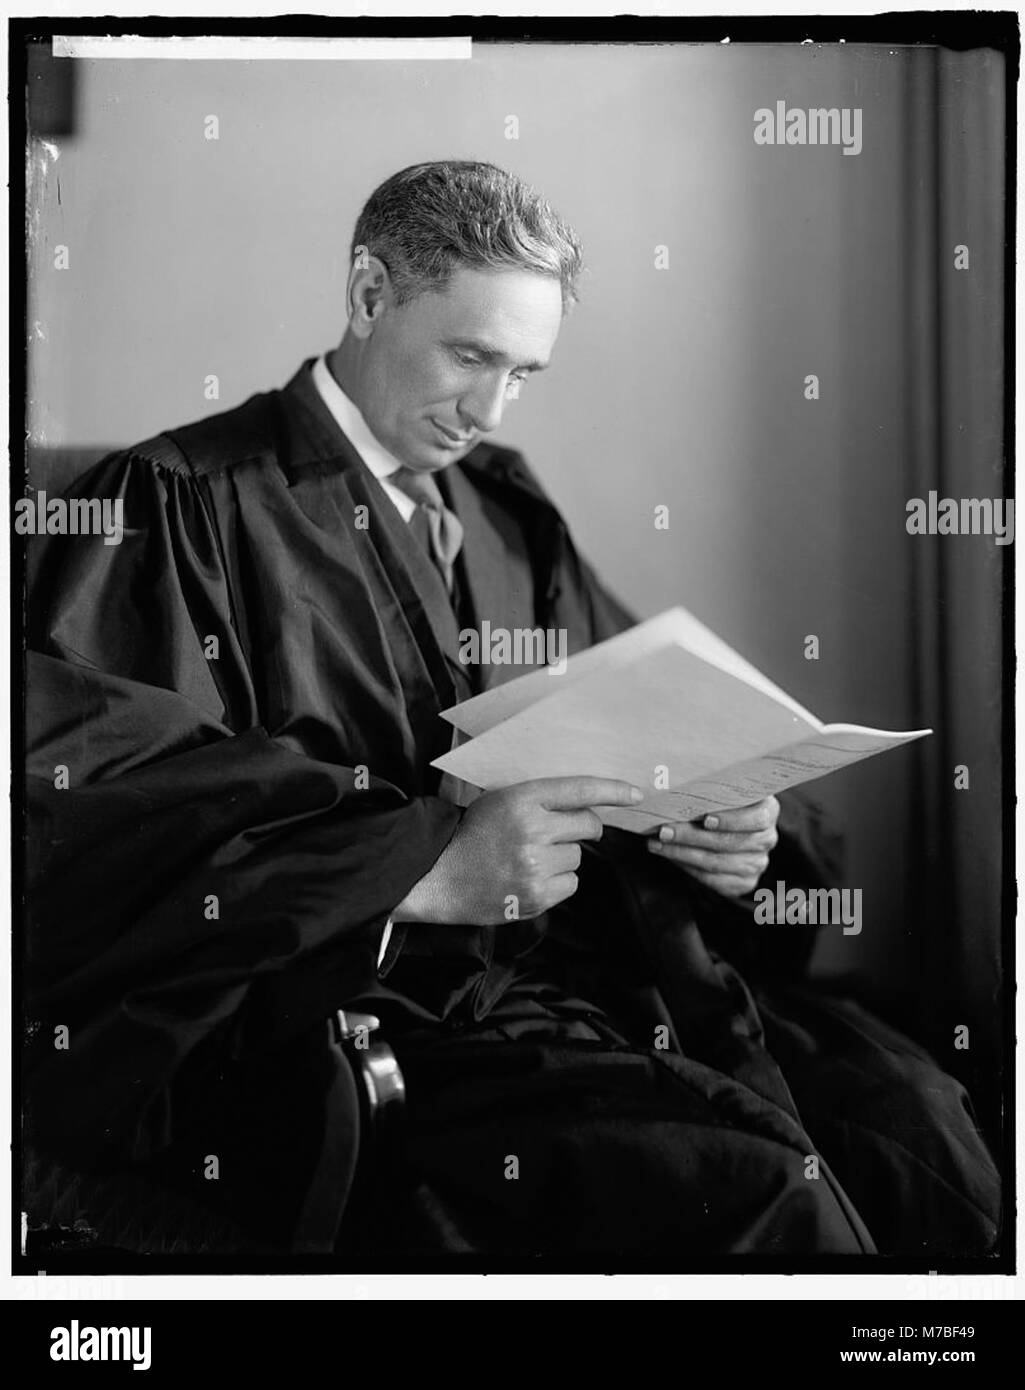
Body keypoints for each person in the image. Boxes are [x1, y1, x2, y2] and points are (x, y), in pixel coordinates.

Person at [24, 160, 1000, 1261]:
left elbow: (644, 717)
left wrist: (731, 832)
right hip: (384, 1021)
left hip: (585, 977)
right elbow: (96, 798)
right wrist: (422, 866)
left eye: (523, 371)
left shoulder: (505, 511)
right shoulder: (175, 504)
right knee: (752, 1186)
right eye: (471, 356)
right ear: (365, 294)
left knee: (913, 1125)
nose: (488, 411)